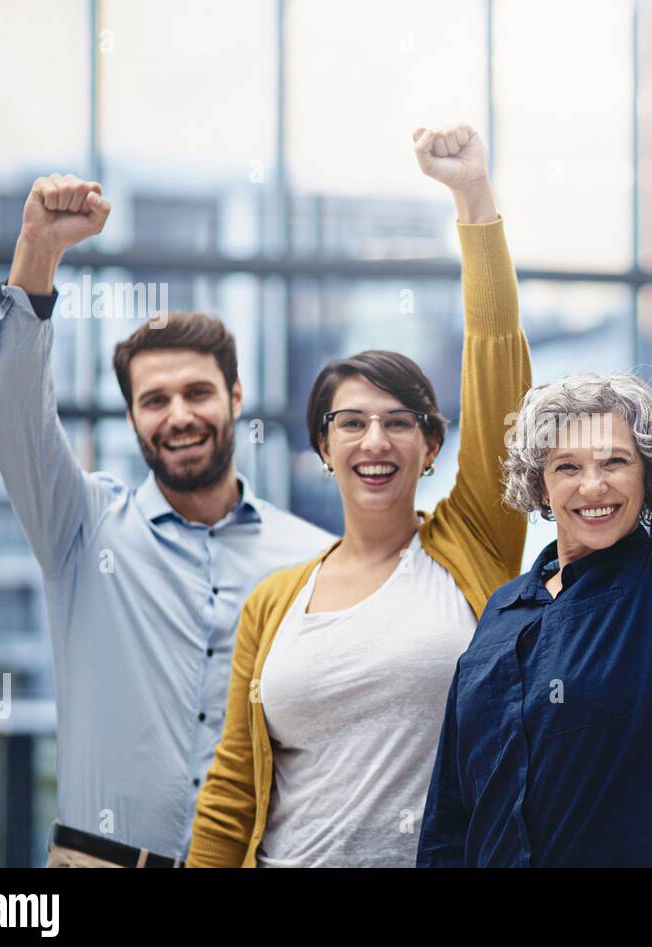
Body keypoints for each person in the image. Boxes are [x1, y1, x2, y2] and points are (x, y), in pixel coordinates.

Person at [416, 85, 652, 867]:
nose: (593, 484)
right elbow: (451, 814)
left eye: (615, 462)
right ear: (539, 486)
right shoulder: (505, 610)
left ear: (647, 476)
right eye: (568, 466)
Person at [186, 123, 531, 867]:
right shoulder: (274, 602)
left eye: (398, 422)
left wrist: (472, 197)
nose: (375, 440)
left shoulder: (472, 543)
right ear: (323, 448)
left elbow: (497, 355)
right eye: (352, 422)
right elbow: (232, 796)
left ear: (431, 447)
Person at [0, 177, 334, 867]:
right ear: (133, 417)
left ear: (235, 397)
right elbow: (14, 414)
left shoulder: (312, 559)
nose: (179, 415)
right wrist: (38, 252)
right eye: (155, 399)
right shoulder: (80, 530)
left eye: (198, 392)